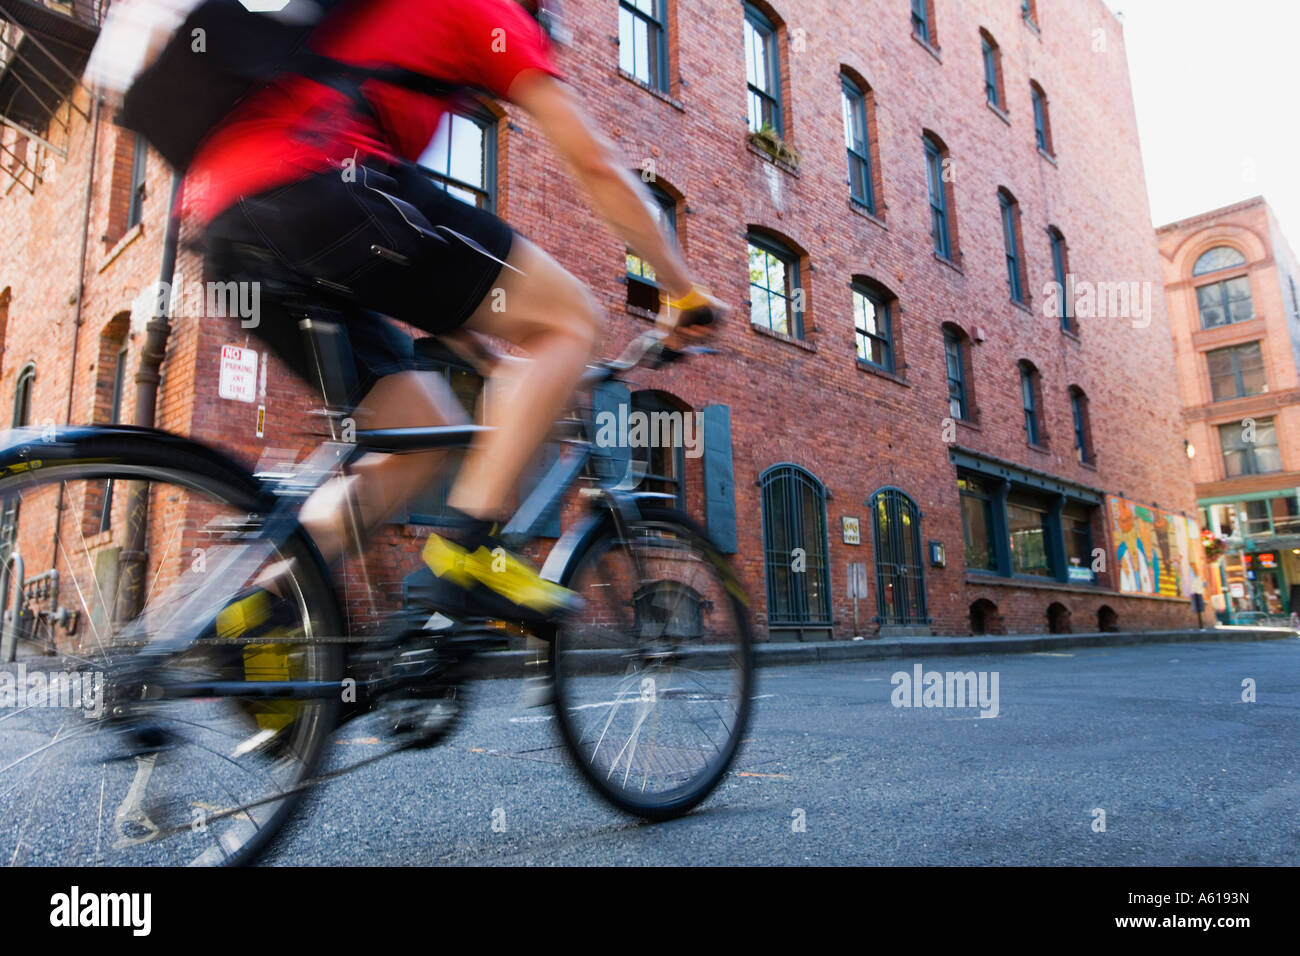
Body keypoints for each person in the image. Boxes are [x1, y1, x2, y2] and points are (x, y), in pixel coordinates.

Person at [190, 0, 721, 631]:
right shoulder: (485, 12)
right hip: (323, 186)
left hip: (234, 234)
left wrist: (487, 353)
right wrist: (681, 291)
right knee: (573, 317)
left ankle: (257, 626)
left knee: (421, 434)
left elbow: (419, 274)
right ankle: (472, 554)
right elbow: (596, 162)